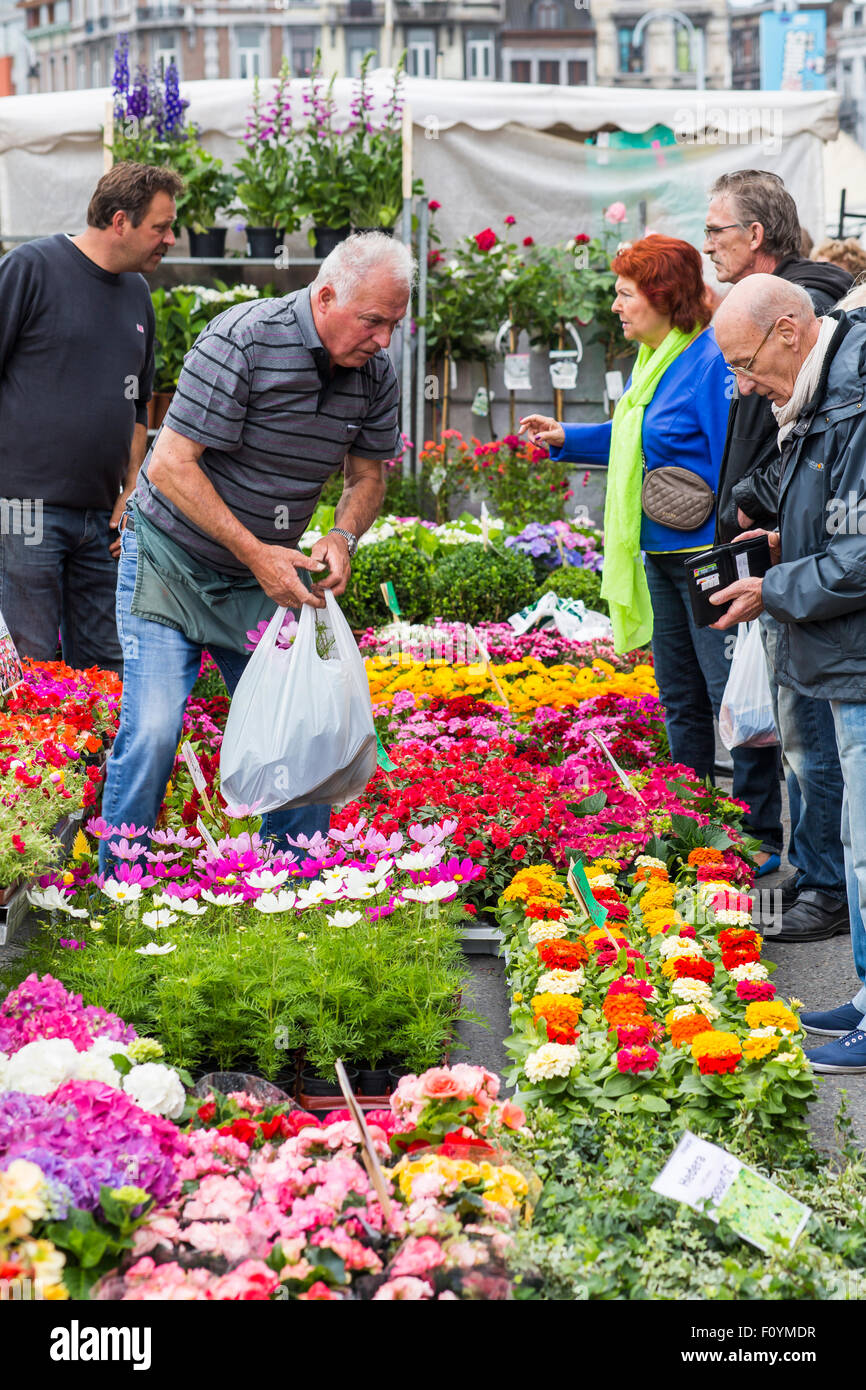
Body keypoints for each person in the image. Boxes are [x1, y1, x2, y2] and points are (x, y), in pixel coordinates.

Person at [98, 231, 414, 871]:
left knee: (304, 731)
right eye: (374, 321)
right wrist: (256, 552)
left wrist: (340, 537)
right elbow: (170, 465)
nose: (384, 340)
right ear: (326, 297)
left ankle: (291, 889)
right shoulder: (241, 338)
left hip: (261, 580)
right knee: (155, 730)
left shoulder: (374, 373)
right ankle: (121, 890)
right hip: (169, 564)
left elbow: (368, 477)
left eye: (394, 325)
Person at [517, 235, 782, 861]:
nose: (615, 305)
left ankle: (757, 833)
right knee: (681, 699)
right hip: (661, 556)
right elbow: (634, 435)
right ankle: (693, 823)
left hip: (706, 560)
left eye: (624, 293)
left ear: (661, 298)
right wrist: (567, 436)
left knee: (730, 698)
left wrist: (737, 547)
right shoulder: (653, 362)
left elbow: (734, 459)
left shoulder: (709, 359)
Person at [710, 274, 866, 1071]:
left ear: (790, 331)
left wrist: (776, 584)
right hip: (840, 649)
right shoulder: (821, 388)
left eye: (745, 363)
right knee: (858, 833)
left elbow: (864, 548)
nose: (743, 384)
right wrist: (778, 547)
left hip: (856, 647)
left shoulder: (854, 391)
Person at [705, 169, 853, 927]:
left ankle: (824, 888)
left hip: (827, 601)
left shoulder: (822, 344)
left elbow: (852, 534)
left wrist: (776, 555)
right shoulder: (786, 332)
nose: (742, 384)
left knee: (818, 752)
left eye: (717, 230)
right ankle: (818, 882)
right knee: (804, 744)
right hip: (795, 565)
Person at [0, 162, 183, 674]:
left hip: (103, 521)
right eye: (160, 227)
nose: (169, 239)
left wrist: (131, 491)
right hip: (25, 512)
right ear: (120, 221)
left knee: (105, 667)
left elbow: (137, 407)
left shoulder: (138, 295)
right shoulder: (30, 269)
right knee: (32, 665)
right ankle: (26, 758)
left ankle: (91, 759)